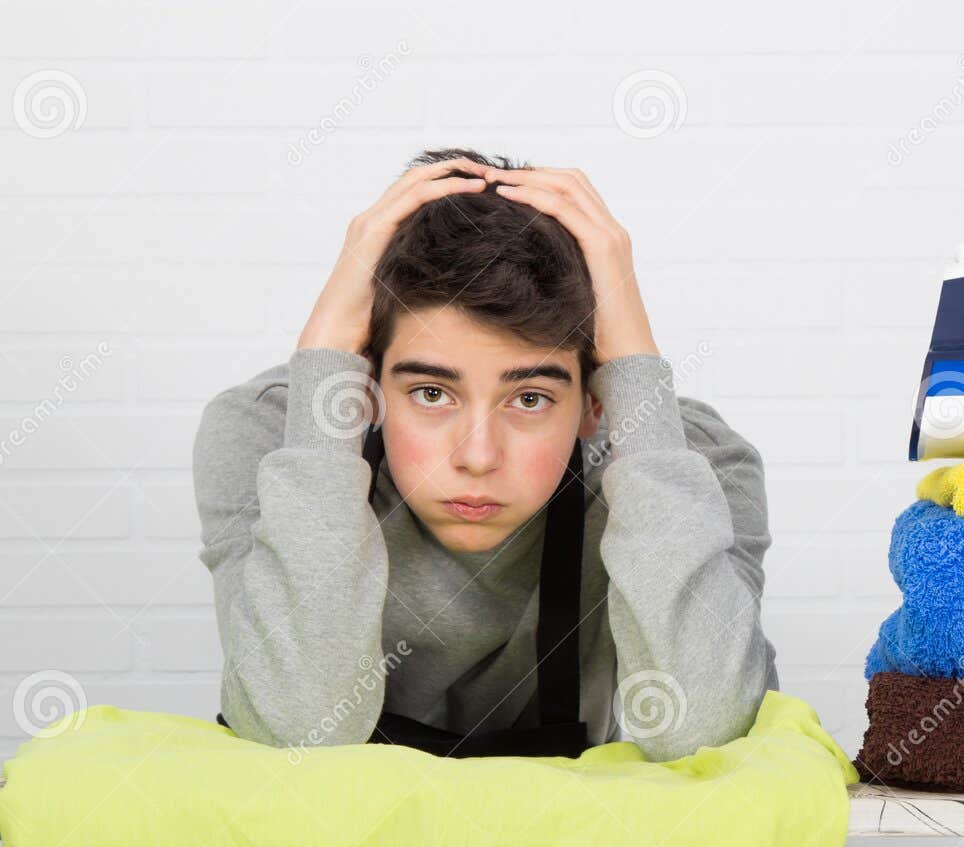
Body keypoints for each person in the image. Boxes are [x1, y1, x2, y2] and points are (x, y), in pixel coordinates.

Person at [191, 147, 778, 761]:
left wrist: (636, 370)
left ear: (594, 399)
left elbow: (705, 736)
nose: (477, 456)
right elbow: (293, 731)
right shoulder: (274, 434)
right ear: (367, 382)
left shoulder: (683, 458)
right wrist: (326, 364)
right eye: (431, 392)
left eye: (529, 398)